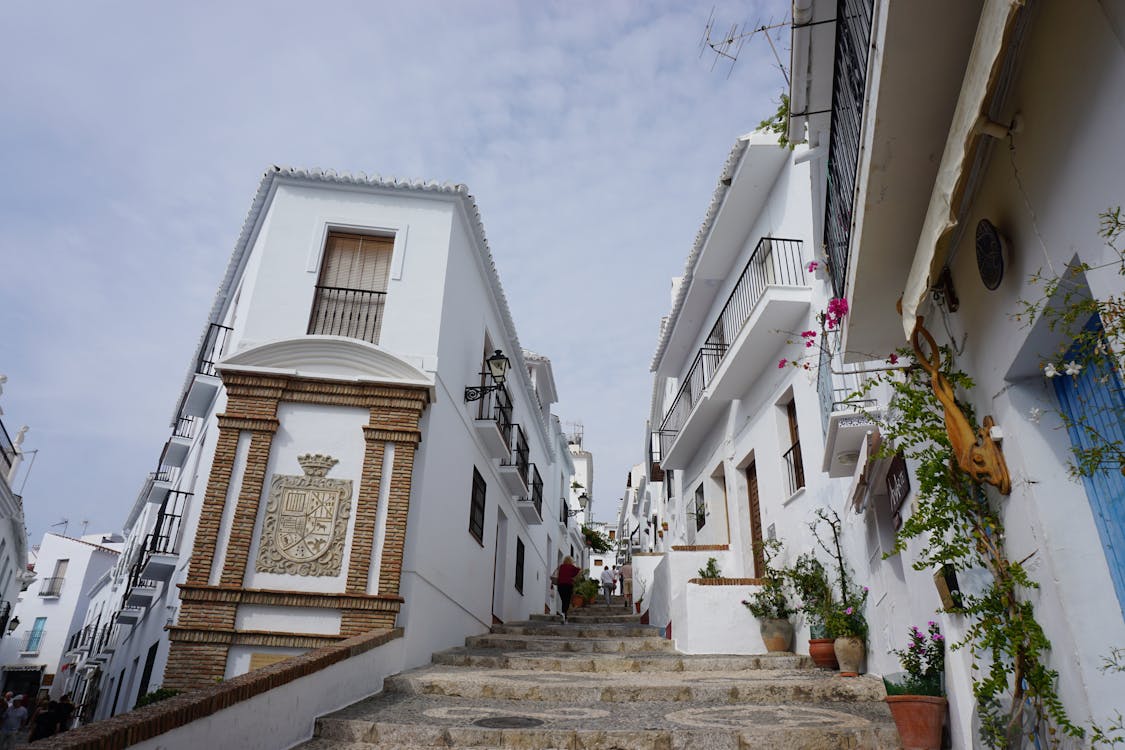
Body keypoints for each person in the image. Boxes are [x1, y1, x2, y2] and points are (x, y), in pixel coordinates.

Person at [551, 556, 581, 623]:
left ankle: (564, 617)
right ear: (571, 561)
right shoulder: (572, 567)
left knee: (563, 601)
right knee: (567, 601)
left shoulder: (561, 566)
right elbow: (578, 571)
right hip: (568, 585)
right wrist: (575, 577)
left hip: (560, 585)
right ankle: (563, 613)